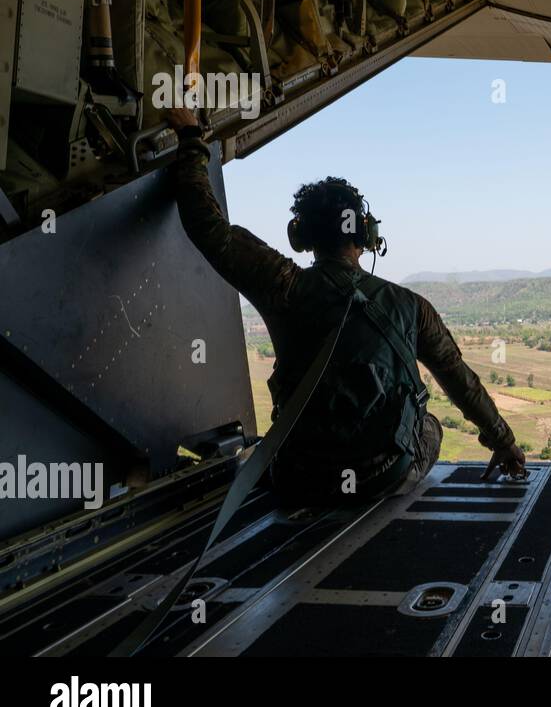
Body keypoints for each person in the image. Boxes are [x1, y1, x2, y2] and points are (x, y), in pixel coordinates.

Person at [162, 106, 525, 504]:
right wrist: (503, 441)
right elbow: (460, 380)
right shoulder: (411, 306)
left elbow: (209, 229)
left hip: (302, 474)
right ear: (367, 236)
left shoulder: (283, 286)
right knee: (429, 425)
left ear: (301, 236)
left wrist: (192, 142)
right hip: (383, 475)